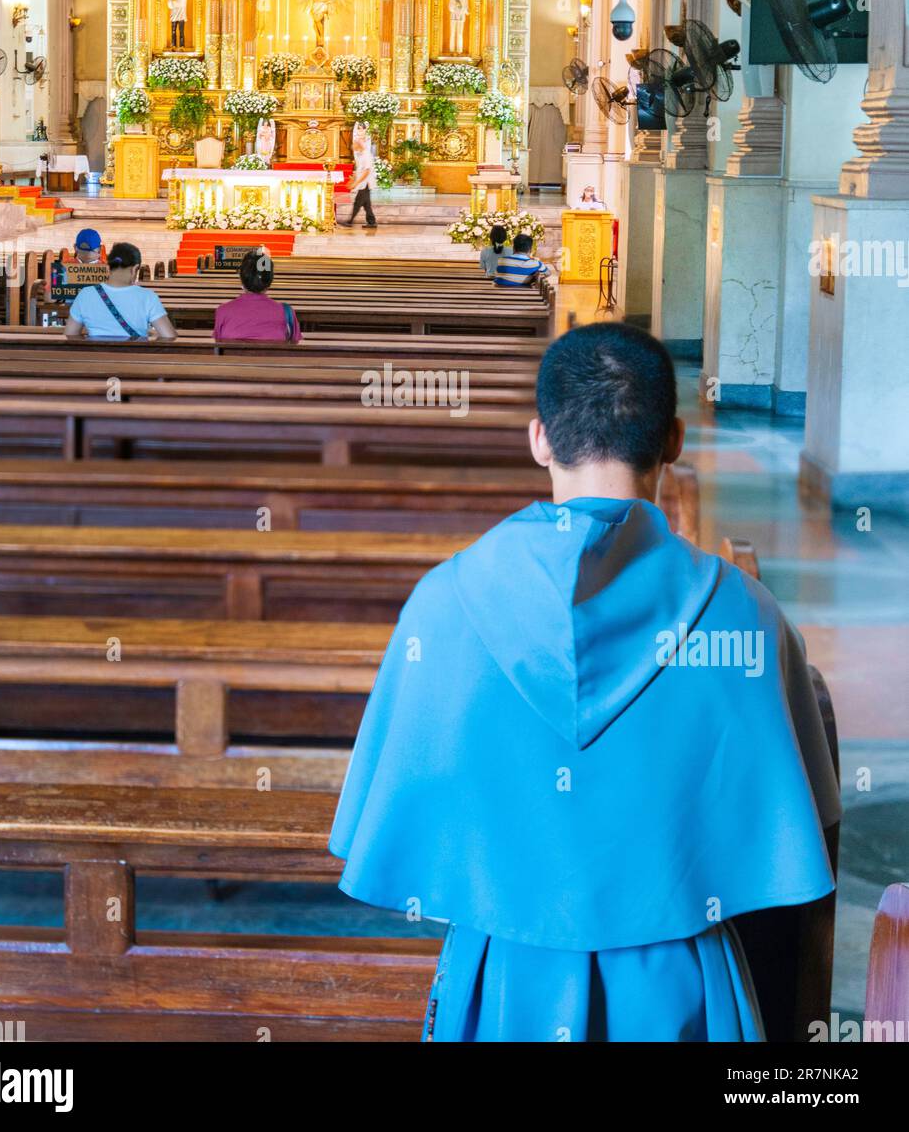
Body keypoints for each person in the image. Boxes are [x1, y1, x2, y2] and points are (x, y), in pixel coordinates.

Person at [330, 323, 839, 1042]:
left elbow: (391, 804)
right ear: (671, 440)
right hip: (684, 982)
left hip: (503, 978)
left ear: (539, 437)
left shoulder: (442, 604)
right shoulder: (743, 614)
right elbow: (803, 816)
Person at [65, 241, 176, 342]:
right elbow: (169, 336)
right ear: (134, 269)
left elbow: (70, 334)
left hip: (96, 360)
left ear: (108, 267)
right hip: (135, 360)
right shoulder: (148, 297)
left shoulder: (85, 294)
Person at [212, 247, 302, 344]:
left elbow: (218, 345)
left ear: (241, 278)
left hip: (234, 359)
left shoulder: (223, 311)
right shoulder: (286, 313)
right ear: (269, 280)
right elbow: (294, 346)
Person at [344, 127, 377, 229]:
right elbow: (360, 170)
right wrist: (354, 179)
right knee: (366, 204)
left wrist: (356, 182)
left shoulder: (366, 155)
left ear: (359, 145)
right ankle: (371, 222)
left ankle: (350, 221)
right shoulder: (361, 155)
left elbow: (367, 171)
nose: (352, 146)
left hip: (365, 183)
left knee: (358, 203)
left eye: (354, 144)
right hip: (363, 184)